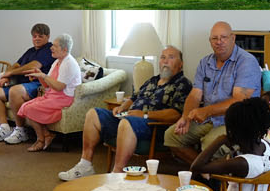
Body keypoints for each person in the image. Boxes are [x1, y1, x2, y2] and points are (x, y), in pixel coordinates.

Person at [59, 44, 191, 180]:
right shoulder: (152, 80)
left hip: (152, 126)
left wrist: (145, 115)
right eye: (163, 57)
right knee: (93, 114)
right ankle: (85, 165)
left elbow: (176, 114)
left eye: (171, 57)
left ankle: (117, 173)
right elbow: (133, 98)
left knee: (127, 122)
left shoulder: (182, 84)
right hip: (130, 118)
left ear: (180, 64)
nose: (165, 61)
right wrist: (122, 107)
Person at [165, 22, 261, 161]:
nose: (219, 42)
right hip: (209, 119)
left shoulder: (247, 62)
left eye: (224, 37)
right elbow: (194, 95)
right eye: (214, 38)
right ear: (210, 41)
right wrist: (185, 117)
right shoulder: (205, 62)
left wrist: (206, 111)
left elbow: (239, 101)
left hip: (237, 122)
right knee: (171, 136)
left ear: (233, 38)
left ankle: (208, 174)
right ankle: (204, 173)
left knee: (209, 144)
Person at [0, 23, 56, 144]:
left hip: (38, 85)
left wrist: (9, 73)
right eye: (34, 36)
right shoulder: (30, 51)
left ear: (48, 36)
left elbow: (34, 66)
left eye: (40, 36)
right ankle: (5, 128)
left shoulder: (49, 50)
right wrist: (7, 75)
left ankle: (21, 131)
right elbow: (17, 65)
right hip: (21, 84)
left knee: (15, 90)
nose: (37, 38)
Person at [13, 32, 84, 152]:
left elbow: (59, 87)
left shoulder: (69, 63)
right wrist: (39, 75)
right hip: (52, 95)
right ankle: (46, 135)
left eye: (55, 46)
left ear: (64, 49)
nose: (51, 47)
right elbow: (46, 85)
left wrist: (43, 76)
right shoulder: (57, 61)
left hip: (64, 98)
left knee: (30, 109)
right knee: (26, 106)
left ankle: (41, 140)